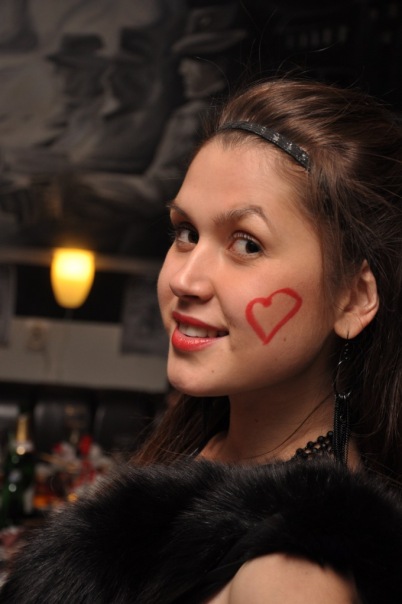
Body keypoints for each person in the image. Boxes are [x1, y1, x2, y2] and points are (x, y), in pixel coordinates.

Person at [1, 77, 402, 603]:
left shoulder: (293, 571)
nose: (184, 279)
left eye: (246, 244)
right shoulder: (197, 450)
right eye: (185, 232)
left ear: (352, 299)